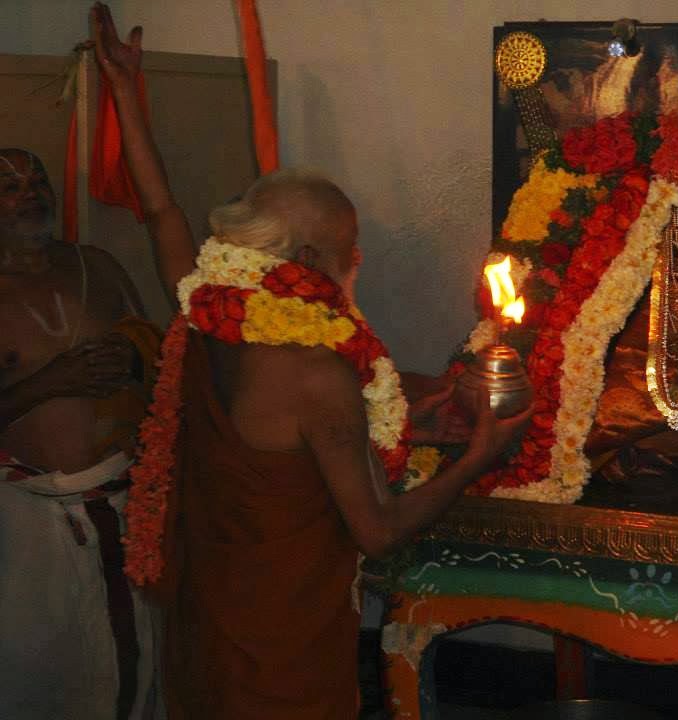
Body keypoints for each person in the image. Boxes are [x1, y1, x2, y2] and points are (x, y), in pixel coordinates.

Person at [91, 3, 532, 718]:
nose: (355, 263)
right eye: (347, 249)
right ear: (304, 261)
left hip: (208, 621)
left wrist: (123, 91)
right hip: (284, 646)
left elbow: (162, 210)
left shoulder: (207, 308)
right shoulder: (315, 370)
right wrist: (479, 456)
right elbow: (378, 530)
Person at [0, 146, 163, 716]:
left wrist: (134, 355)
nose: (30, 194)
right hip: (25, 523)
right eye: (9, 185)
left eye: (37, 179)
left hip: (119, 505)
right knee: (37, 674)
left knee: (128, 671)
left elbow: (164, 359)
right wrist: (48, 383)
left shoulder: (99, 264)